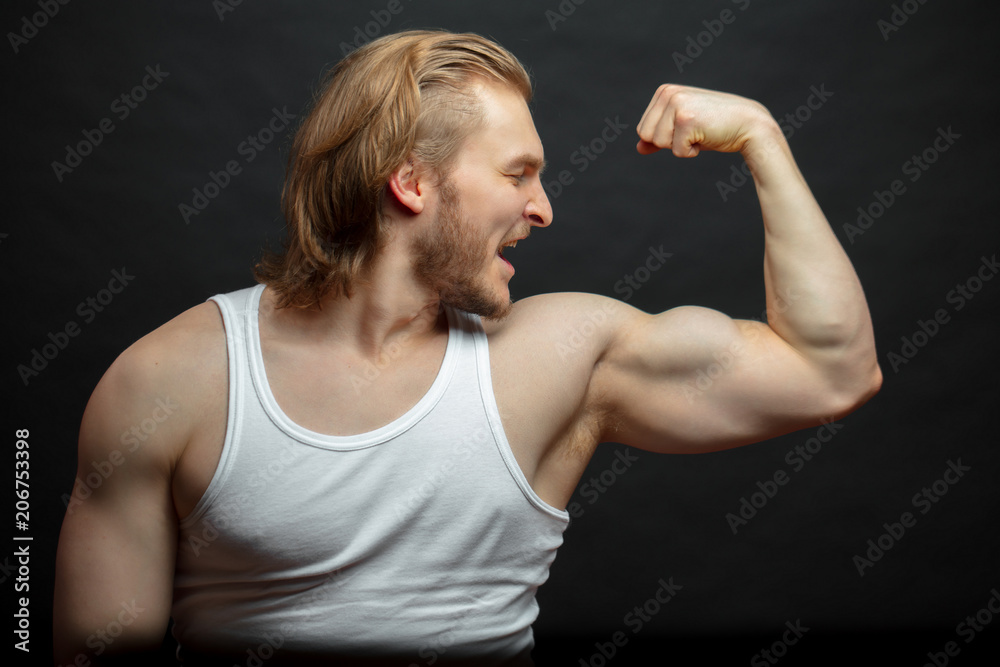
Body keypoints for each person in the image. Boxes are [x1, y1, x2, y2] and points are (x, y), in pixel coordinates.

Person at [52, 29, 881, 666]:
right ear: (413, 183)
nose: (544, 208)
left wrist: (764, 139)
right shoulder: (169, 380)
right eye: (518, 174)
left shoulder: (562, 357)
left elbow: (832, 371)